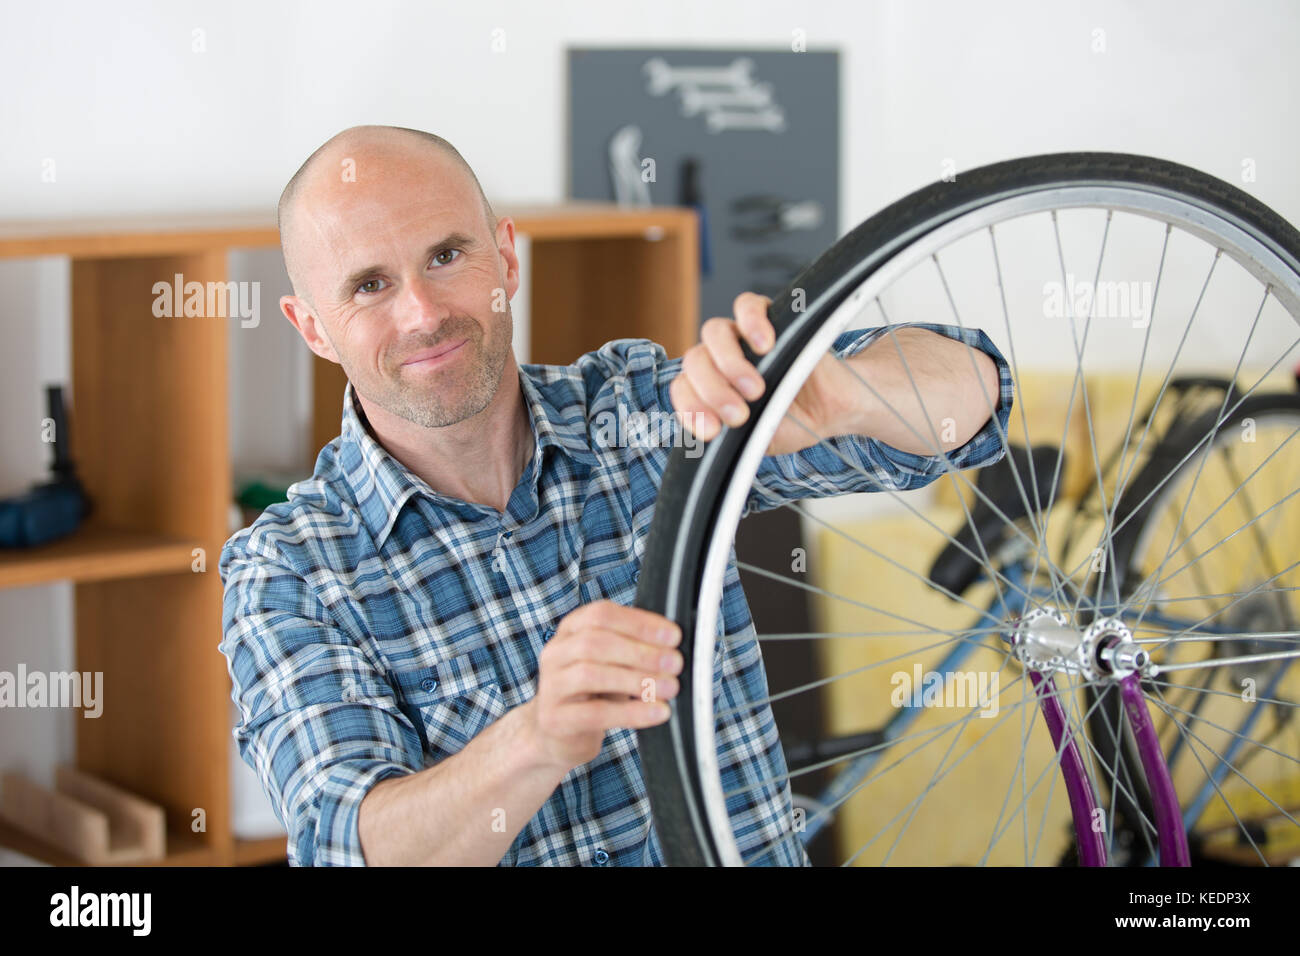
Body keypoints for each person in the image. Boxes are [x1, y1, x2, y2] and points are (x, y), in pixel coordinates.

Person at [219, 124, 1013, 866]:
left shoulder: (636, 413)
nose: (423, 313)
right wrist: (536, 739)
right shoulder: (289, 573)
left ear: (506, 259)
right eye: (368, 284)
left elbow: (971, 400)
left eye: (446, 255)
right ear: (313, 327)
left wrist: (846, 397)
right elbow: (348, 845)